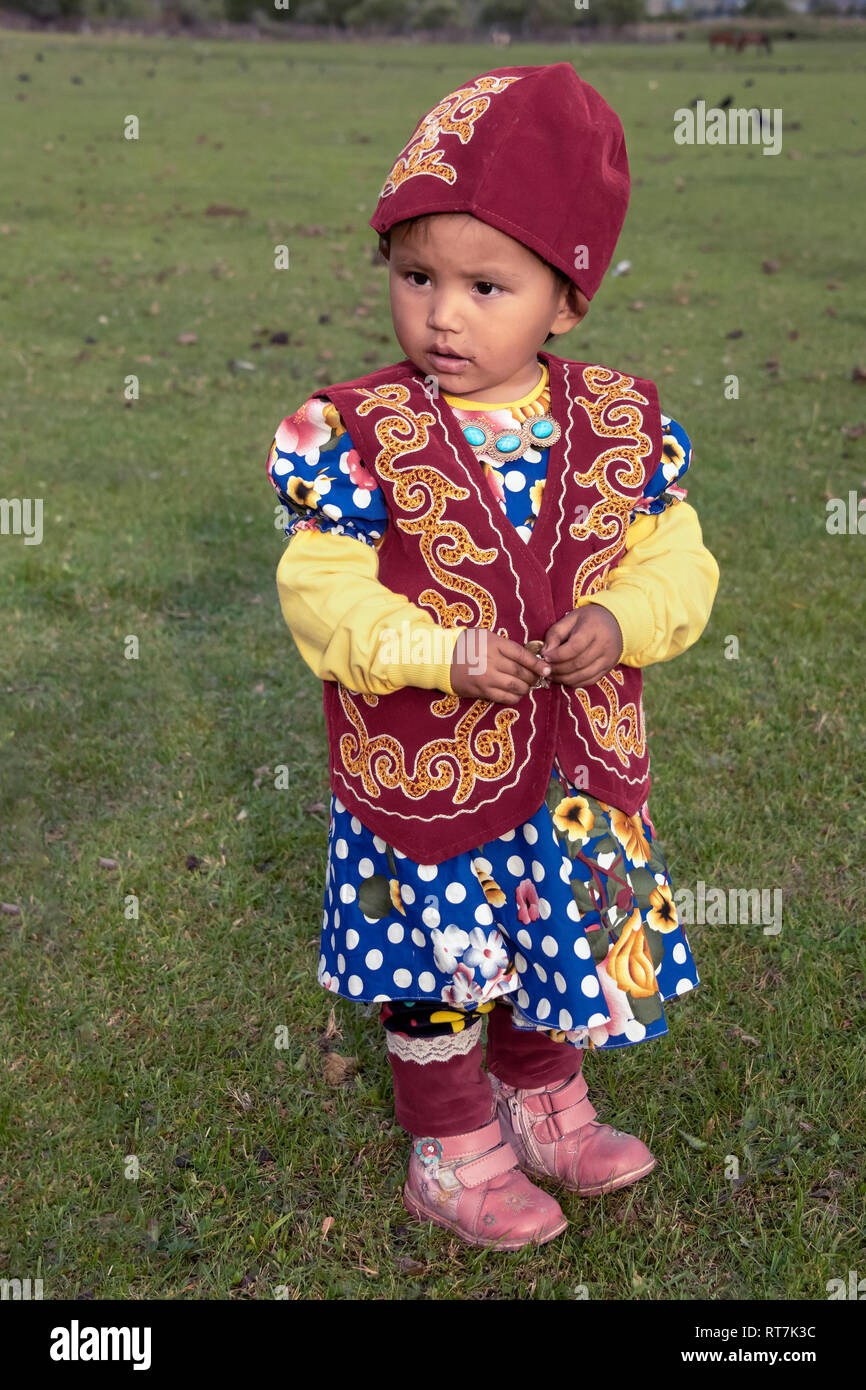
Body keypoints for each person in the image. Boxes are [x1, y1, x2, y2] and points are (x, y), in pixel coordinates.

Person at [264, 63, 720, 1251]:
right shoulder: (359, 434)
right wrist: (430, 652)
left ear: (565, 299)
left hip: (570, 765)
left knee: (552, 926)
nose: (441, 316)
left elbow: (679, 567)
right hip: (425, 776)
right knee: (438, 950)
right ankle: (450, 1142)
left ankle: (542, 1094)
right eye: (415, 278)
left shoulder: (622, 428)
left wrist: (620, 621)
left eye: (483, 284)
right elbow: (320, 594)